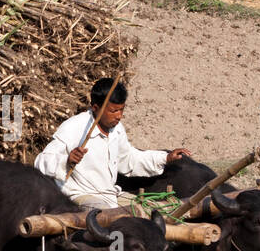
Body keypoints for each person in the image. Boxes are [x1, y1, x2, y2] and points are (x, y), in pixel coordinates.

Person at [34, 78, 190, 210]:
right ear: (95, 108)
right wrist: (66, 160)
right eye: (114, 111)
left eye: (121, 110)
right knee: (112, 220)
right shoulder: (74, 127)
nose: (119, 116)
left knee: (151, 212)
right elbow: (41, 161)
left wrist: (165, 158)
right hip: (81, 196)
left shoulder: (116, 130)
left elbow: (129, 159)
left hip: (110, 196)